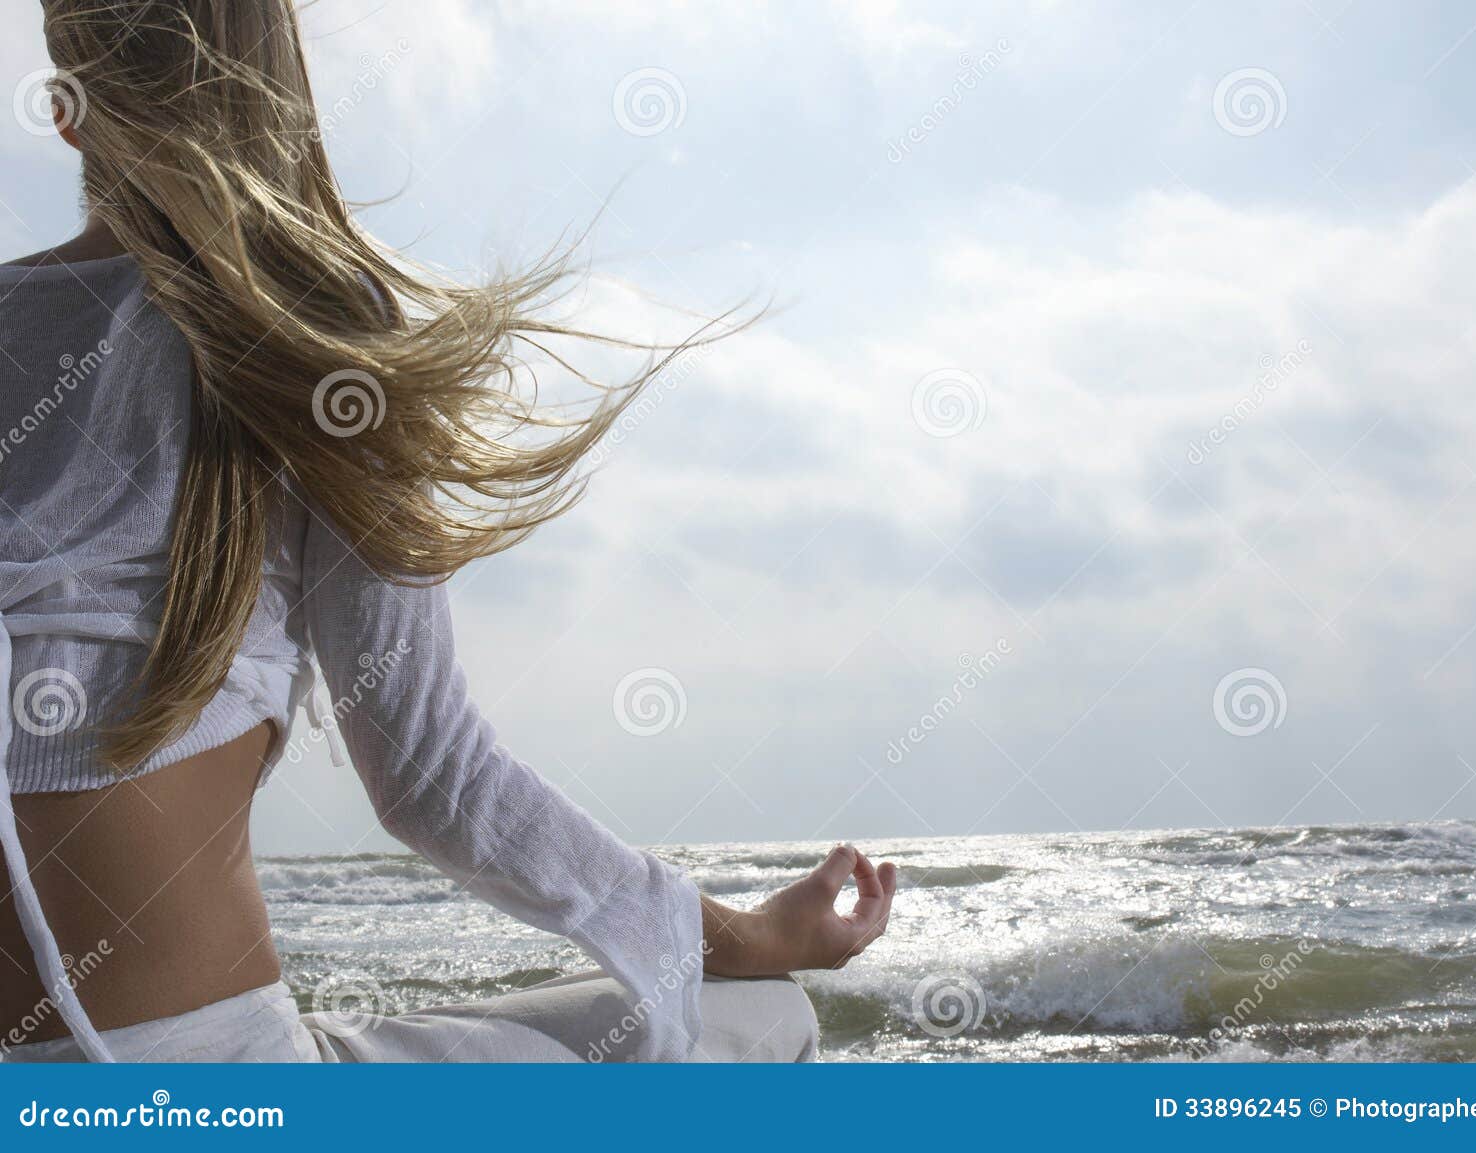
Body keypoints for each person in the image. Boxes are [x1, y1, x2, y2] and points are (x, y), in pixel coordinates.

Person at [0, 0, 894, 1064]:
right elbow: (435, 777)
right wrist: (750, 933)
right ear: (284, 94)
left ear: (63, 110)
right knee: (765, 1015)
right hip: (224, 1079)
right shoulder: (319, 334)